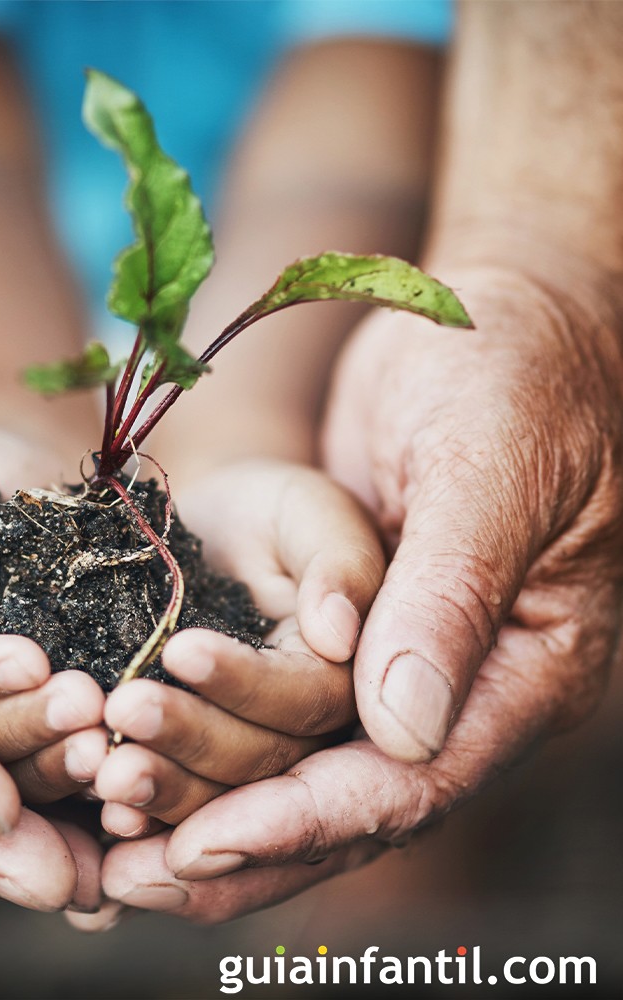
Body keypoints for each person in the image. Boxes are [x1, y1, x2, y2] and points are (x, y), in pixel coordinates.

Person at [91, 0, 623, 927]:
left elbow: (354, 131)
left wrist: (238, 431)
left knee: (494, 579)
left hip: (350, 322)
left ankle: (413, 894)